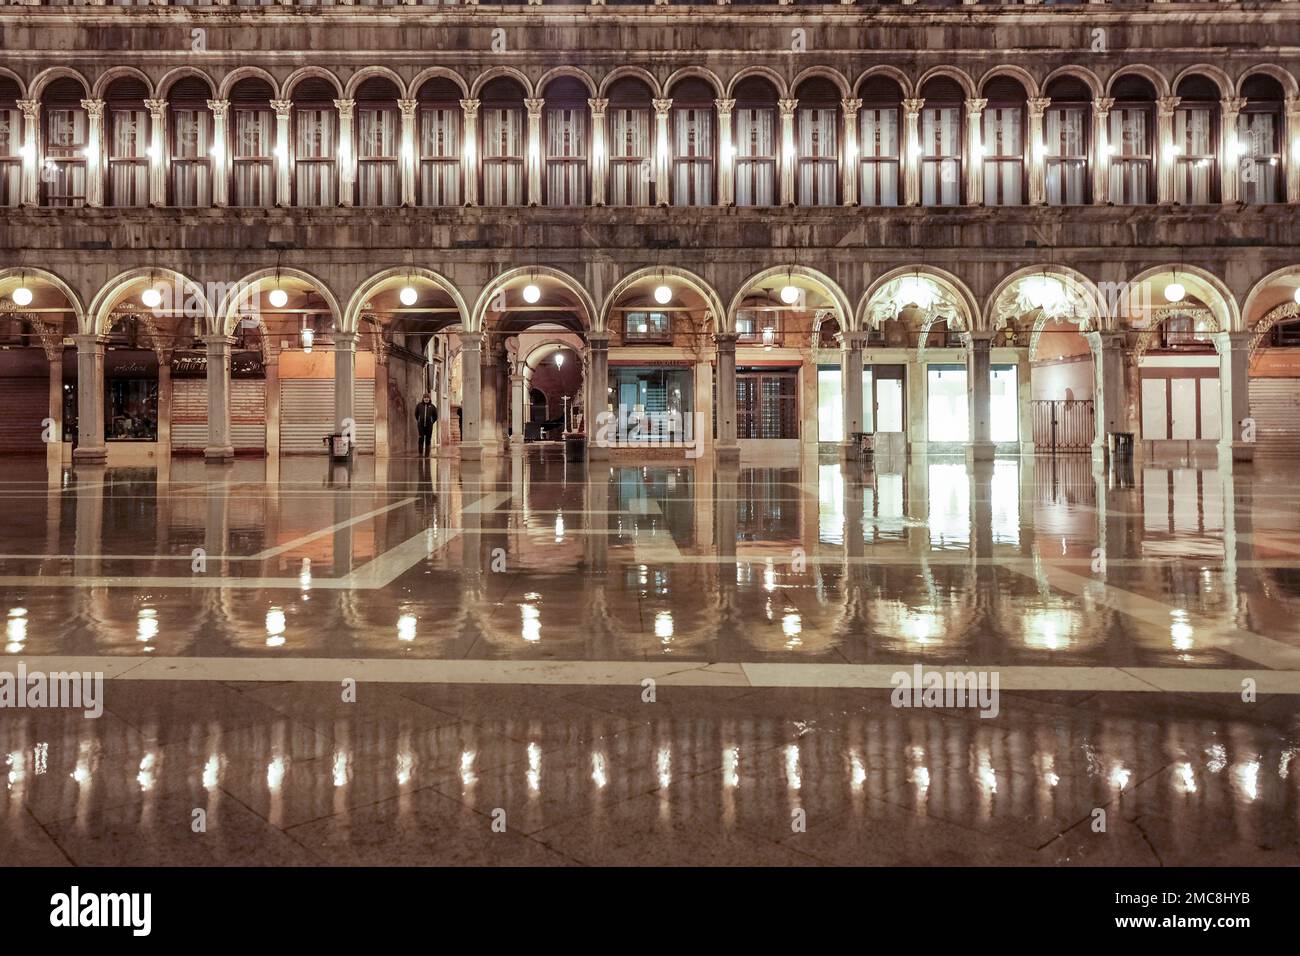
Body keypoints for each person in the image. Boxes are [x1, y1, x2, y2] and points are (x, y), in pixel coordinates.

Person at [414, 392, 438, 457]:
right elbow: (416, 414)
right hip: (421, 426)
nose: (426, 399)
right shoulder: (419, 406)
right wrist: (419, 420)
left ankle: (427, 454)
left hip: (429, 426)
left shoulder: (432, 407)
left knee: (428, 439)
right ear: (423, 398)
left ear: (429, 399)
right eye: (425, 398)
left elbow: (435, 416)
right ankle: (420, 453)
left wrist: (431, 421)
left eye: (427, 398)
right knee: (421, 438)